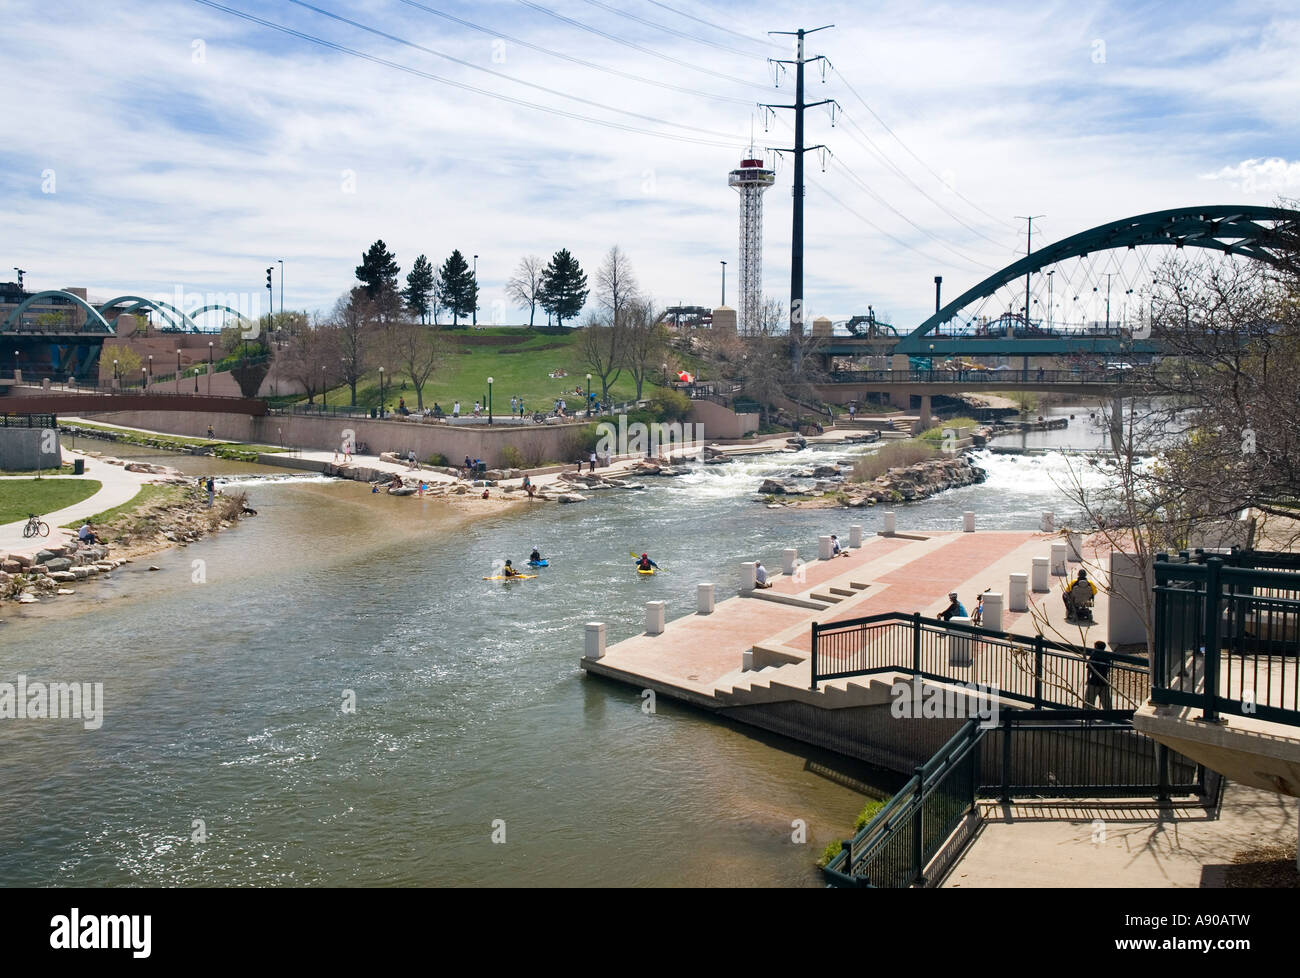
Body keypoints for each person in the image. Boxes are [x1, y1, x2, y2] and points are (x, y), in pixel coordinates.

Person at [1084, 640, 1112, 709]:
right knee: (1106, 701)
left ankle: (1088, 714)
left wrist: (1087, 679)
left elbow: (1089, 669)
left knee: (1089, 700)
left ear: (1096, 647)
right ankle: (1109, 715)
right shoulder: (1106, 656)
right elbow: (1108, 669)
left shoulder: (1094, 655)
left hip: (1094, 681)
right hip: (1104, 681)